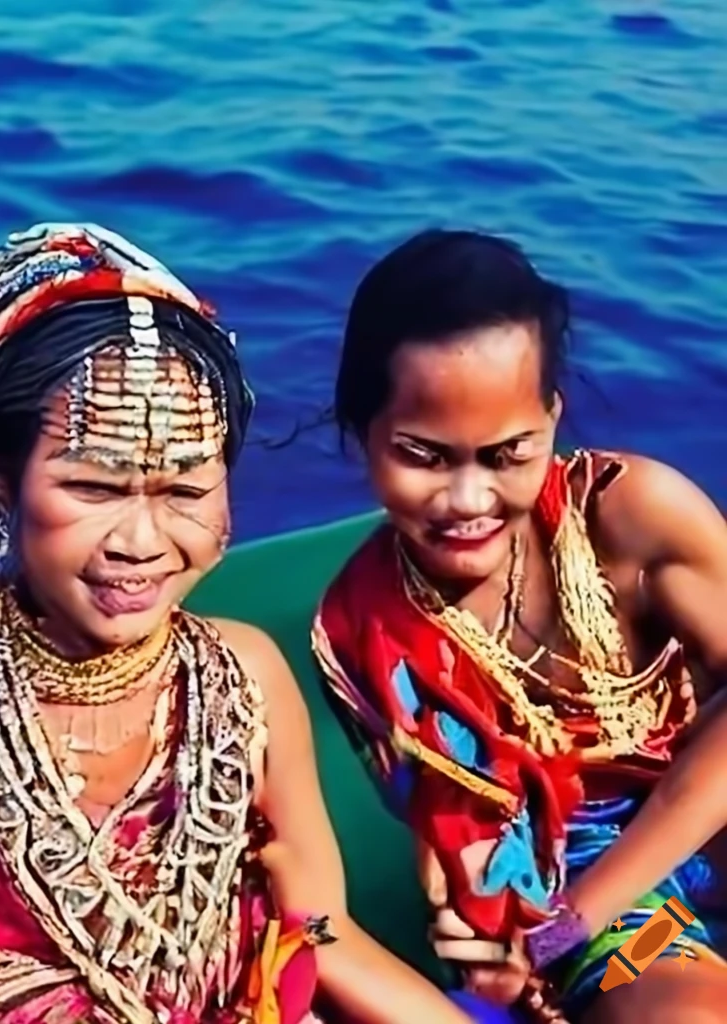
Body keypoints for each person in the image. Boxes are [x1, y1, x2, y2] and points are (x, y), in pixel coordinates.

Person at [0, 224, 480, 1024]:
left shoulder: (247, 680)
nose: (141, 542)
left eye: (186, 492)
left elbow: (322, 933)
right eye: (93, 489)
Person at [312, 229, 727, 1024]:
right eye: (423, 456)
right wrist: (517, 937)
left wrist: (584, 914)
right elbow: (465, 849)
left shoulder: (635, 517)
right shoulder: (360, 631)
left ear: (552, 420)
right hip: (566, 872)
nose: (469, 499)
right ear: (362, 431)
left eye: (508, 455)